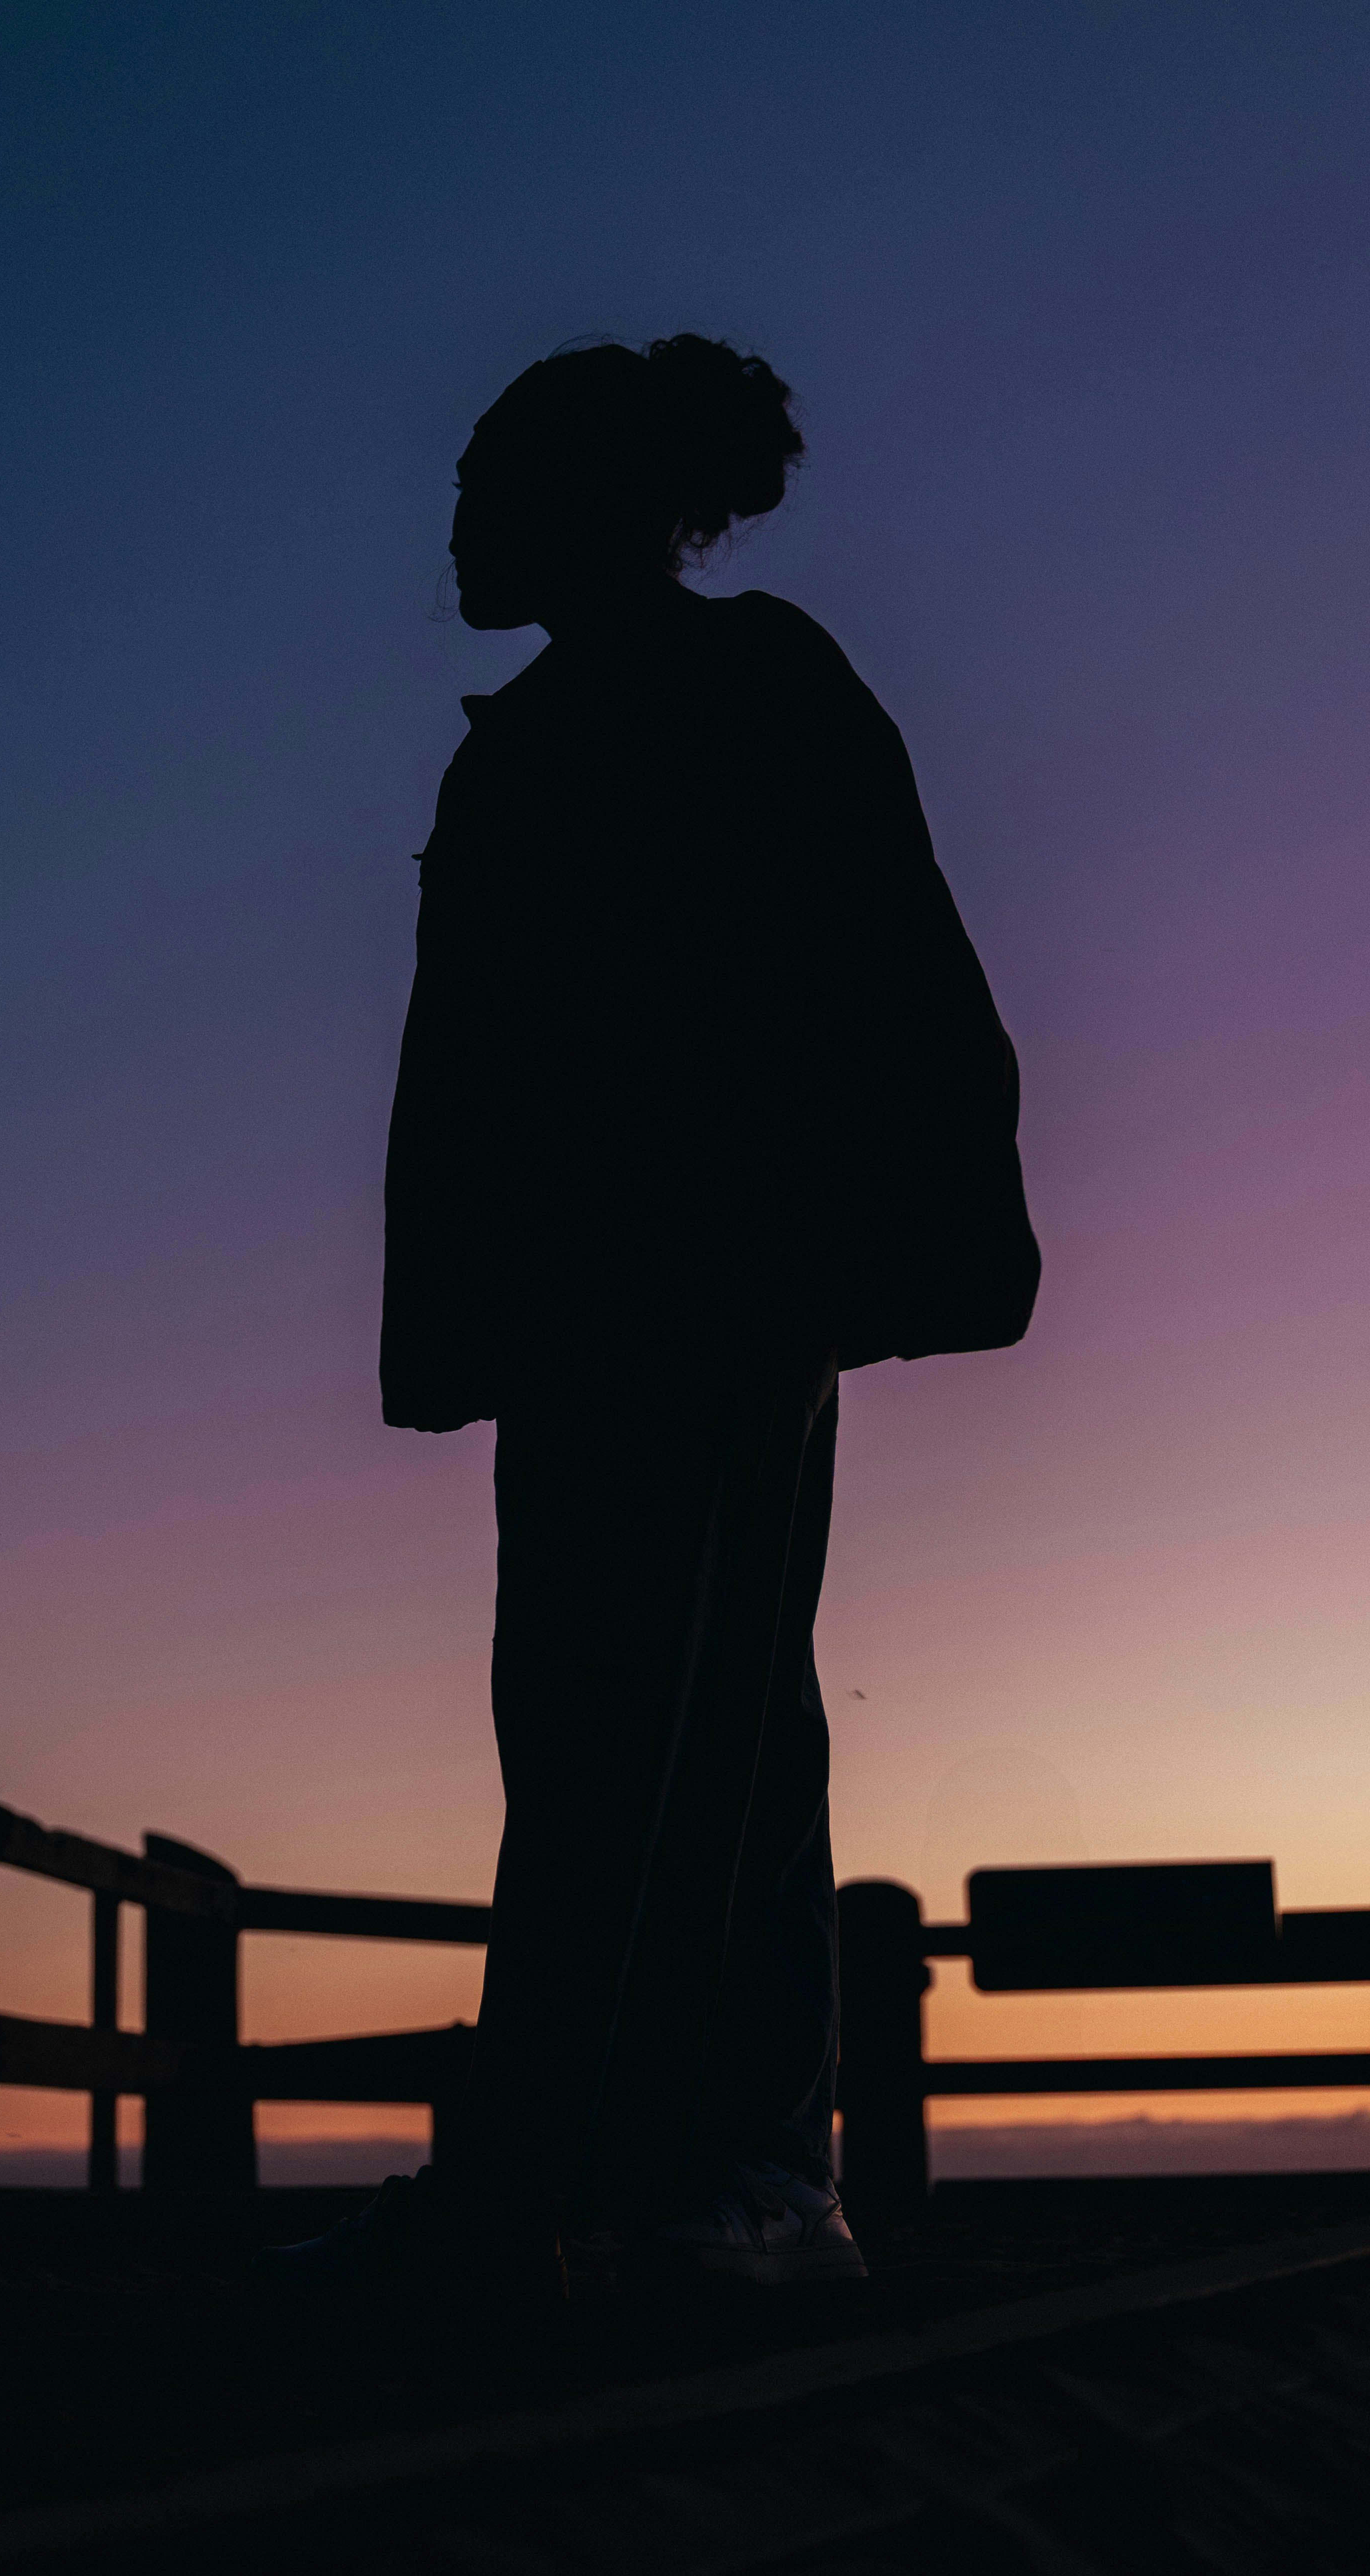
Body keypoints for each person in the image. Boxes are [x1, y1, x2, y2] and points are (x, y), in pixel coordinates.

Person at [264, 334, 1038, 2301]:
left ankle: (757, 2164)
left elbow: (895, 962)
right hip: (580, 1309)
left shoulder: (753, 675)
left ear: (590, 501)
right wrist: (451, 1322)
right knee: (596, 1722)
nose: (449, 523)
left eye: (480, 483)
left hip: (726, 1277)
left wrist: (906, 1244)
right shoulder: (517, 740)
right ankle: (575, 2163)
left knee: (714, 1721)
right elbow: (475, 1077)